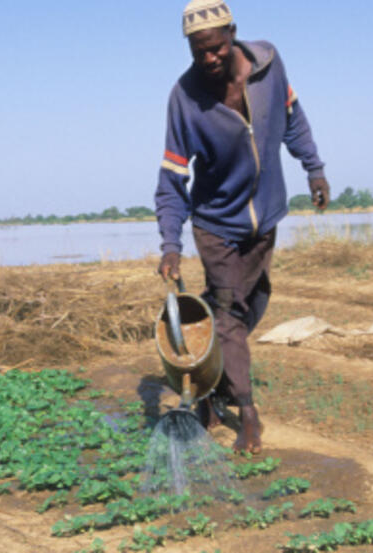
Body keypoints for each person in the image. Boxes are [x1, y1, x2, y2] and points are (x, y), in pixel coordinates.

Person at [154, 0, 330, 453]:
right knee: (230, 314)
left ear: (231, 33)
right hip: (215, 223)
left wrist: (313, 169)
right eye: (198, 52)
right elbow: (173, 175)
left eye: (214, 48)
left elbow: (293, 118)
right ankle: (248, 413)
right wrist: (170, 242)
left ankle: (210, 389)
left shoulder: (268, 64)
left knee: (253, 304)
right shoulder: (185, 97)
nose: (208, 58)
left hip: (265, 214)